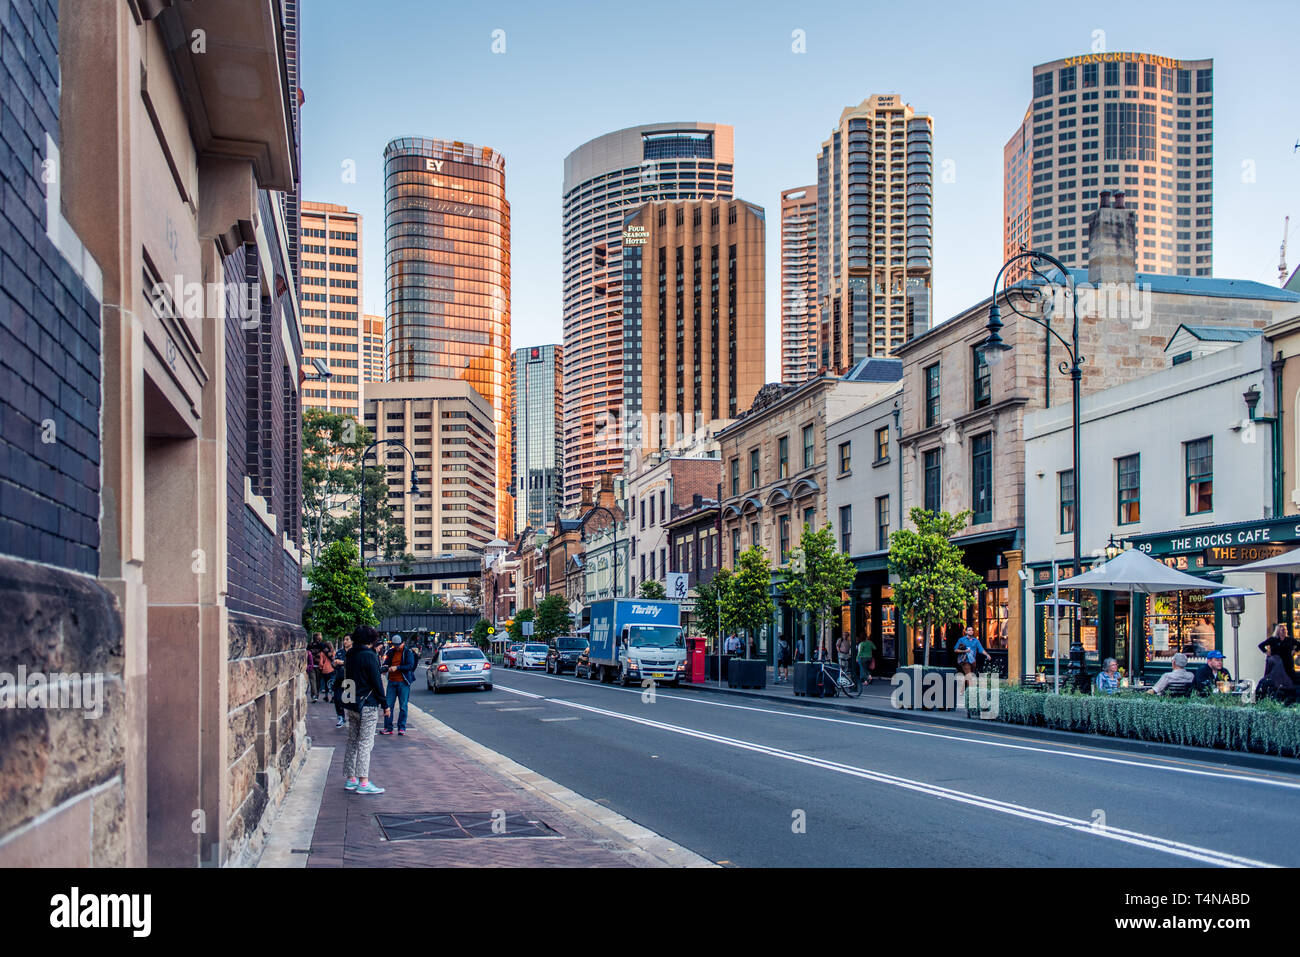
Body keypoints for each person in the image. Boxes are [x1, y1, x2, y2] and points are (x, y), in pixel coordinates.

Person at [342, 626, 389, 794]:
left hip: (352, 702)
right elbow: (377, 682)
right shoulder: (370, 656)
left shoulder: (350, 655)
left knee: (352, 740)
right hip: (368, 703)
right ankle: (363, 782)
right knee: (365, 742)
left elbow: (347, 678)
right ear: (371, 639)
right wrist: (385, 704)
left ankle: (350, 778)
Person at [382, 634, 416, 735]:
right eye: (395, 645)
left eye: (398, 645)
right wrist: (385, 668)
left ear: (403, 643)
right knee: (388, 705)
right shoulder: (390, 652)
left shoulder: (407, 652)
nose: (396, 647)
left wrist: (397, 668)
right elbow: (386, 662)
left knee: (403, 706)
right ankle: (388, 727)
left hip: (403, 682)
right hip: (392, 681)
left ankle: (402, 727)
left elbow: (410, 666)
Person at [332, 635, 351, 728]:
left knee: (349, 700)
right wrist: (335, 663)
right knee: (337, 698)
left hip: (350, 680)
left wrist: (342, 662)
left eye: (347, 640)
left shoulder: (354, 653)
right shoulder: (339, 652)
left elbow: (354, 663)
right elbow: (334, 665)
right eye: (344, 640)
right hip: (339, 678)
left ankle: (352, 719)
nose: (345, 642)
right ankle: (341, 717)